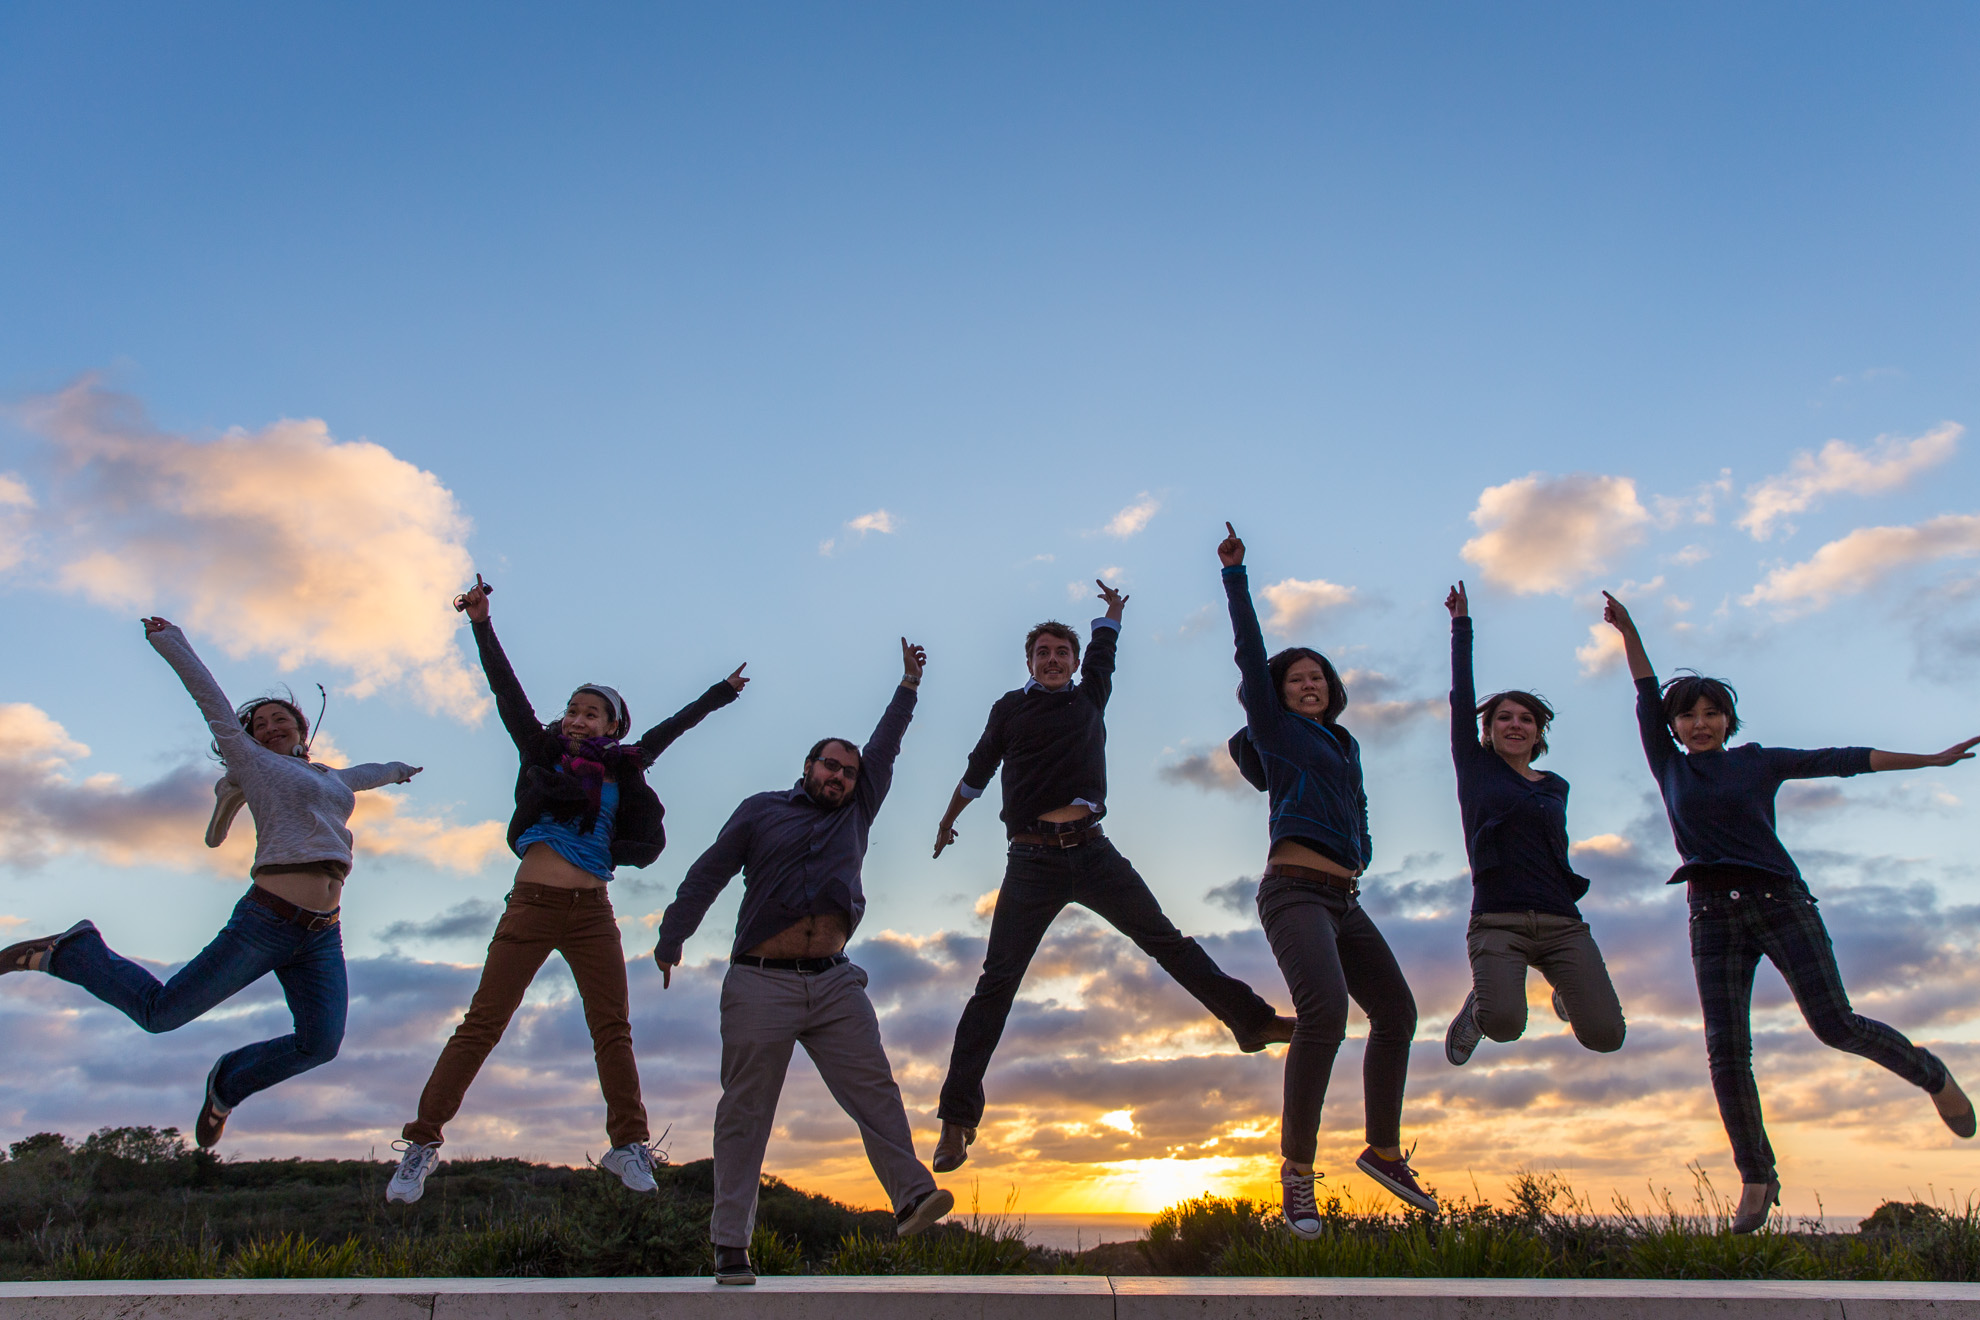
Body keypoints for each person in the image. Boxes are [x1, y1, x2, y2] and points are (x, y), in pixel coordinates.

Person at [1602, 590, 1977, 1234]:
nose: (1700, 723)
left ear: (1729, 722)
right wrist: (1630, 631)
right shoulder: (1667, 765)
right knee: (1726, 1051)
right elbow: (1643, 690)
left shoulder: (1758, 762)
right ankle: (1756, 1175)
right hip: (1711, 916)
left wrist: (1933, 759)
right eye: (1688, 715)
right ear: (1673, 727)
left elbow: (1844, 762)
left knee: (1835, 1025)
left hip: (1781, 902)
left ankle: (1931, 1073)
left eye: (1713, 713)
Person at [385, 575, 746, 1205]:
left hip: (591, 912)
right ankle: (421, 1145)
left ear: (611, 724)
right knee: (482, 1025)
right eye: (573, 709)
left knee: (613, 1027)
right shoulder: (542, 752)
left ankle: (628, 1145)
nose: (577, 719)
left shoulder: (625, 768)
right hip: (530, 906)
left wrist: (722, 692)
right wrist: (480, 623)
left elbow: (676, 727)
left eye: (591, 712)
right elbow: (506, 692)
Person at [0, 617, 419, 1148]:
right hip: (265, 922)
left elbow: (367, 772)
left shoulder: (329, 778)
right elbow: (211, 701)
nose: (269, 727)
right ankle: (71, 952)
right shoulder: (256, 765)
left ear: (300, 728)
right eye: (259, 724)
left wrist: (401, 770)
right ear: (248, 740)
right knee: (161, 1014)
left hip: (321, 933)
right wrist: (170, 641)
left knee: (320, 1044)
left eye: (279, 719)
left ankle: (227, 1085)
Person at [928, 577, 1294, 1175]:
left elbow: (1105, 654)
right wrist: (948, 820)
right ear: (1029, 661)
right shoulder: (1010, 708)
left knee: (1167, 942)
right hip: (1032, 861)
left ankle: (1251, 1022)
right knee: (996, 984)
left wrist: (1113, 615)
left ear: (1073, 664)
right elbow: (977, 769)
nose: (1052, 660)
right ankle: (957, 1120)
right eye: (1042, 653)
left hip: (1094, 853)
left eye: (1061, 653)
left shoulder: (1088, 696)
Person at [654, 639, 953, 1286]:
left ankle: (909, 1197)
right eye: (830, 766)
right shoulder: (761, 811)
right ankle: (730, 1244)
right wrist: (674, 934)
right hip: (761, 981)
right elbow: (708, 873)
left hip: (836, 982)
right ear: (808, 766)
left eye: (848, 771)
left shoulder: (859, 811)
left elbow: (887, 745)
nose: (840, 776)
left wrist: (908, 685)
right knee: (746, 1111)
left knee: (875, 1089)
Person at [1215, 525, 1435, 1235]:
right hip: (1294, 892)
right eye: (1296, 679)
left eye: (1318, 677)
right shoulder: (1277, 732)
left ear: (1332, 689)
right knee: (1326, 1017)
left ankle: (1383, 1149)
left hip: (1346, 897)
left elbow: (1361, 807)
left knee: (1397, 1013)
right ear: (1279, 696)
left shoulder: (1345, 741)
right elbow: (1251, 658)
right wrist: (1237, 578)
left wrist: (1363, 850)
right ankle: (1299, 1177)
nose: (1309, 685)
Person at [1442, 580, 1625, 1068]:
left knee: (1607, 1036)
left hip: (1562, 921)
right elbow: (1462, 698)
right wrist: (1462, 626)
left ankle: (1565, 989)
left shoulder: (1555, 785)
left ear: (1539, 732)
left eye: (1526, 719)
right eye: (1504, 718)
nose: (1515, 724)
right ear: (1489, 729)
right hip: (1498, 920)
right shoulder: (1476, 769)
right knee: (1504, 1025)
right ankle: (1479, 1009)